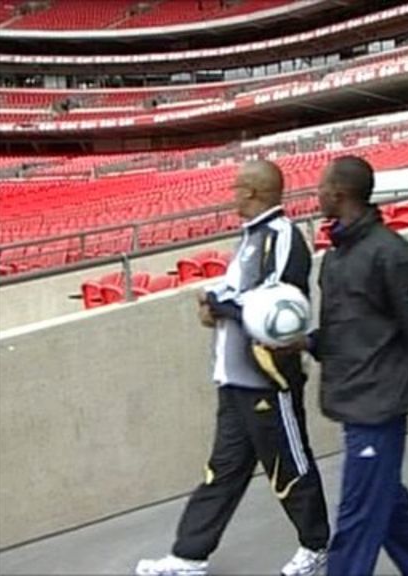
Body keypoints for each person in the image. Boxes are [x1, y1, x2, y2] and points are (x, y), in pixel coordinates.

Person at [136, 161, 329, 576]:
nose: (231, 193)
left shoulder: (281, 237)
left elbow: (275, 308)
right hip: (235, 381)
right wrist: (212, 306)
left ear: (254, 192)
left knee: (289, 465)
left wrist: (219, 306)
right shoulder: (249, 239)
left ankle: (317, 548)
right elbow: (230, 294)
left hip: (267, 380)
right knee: (222, 470)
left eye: (237, 187)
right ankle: (189, 555)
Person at [312, 155, 408, 575]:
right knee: (385, 499)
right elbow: (347, 331)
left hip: (379, 407)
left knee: (357, 518)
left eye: (321, 187)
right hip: (354, 400)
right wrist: (305, 342)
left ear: (339, 194)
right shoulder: (335, 258)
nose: (317, 194)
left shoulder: (393, 254)